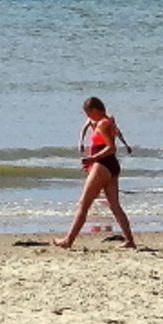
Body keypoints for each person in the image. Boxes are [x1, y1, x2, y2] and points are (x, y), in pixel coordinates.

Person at [55, 96, 137, 250]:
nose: (87, 116)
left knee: (83, 204)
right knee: (114, 205)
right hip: (112, 165)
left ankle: (68, 240)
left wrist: (92, 158)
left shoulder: (103, 124)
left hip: (103, 165)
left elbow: (111, 147)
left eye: (87, 113)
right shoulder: (108, 121)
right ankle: (130, 241)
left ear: (93, 110)